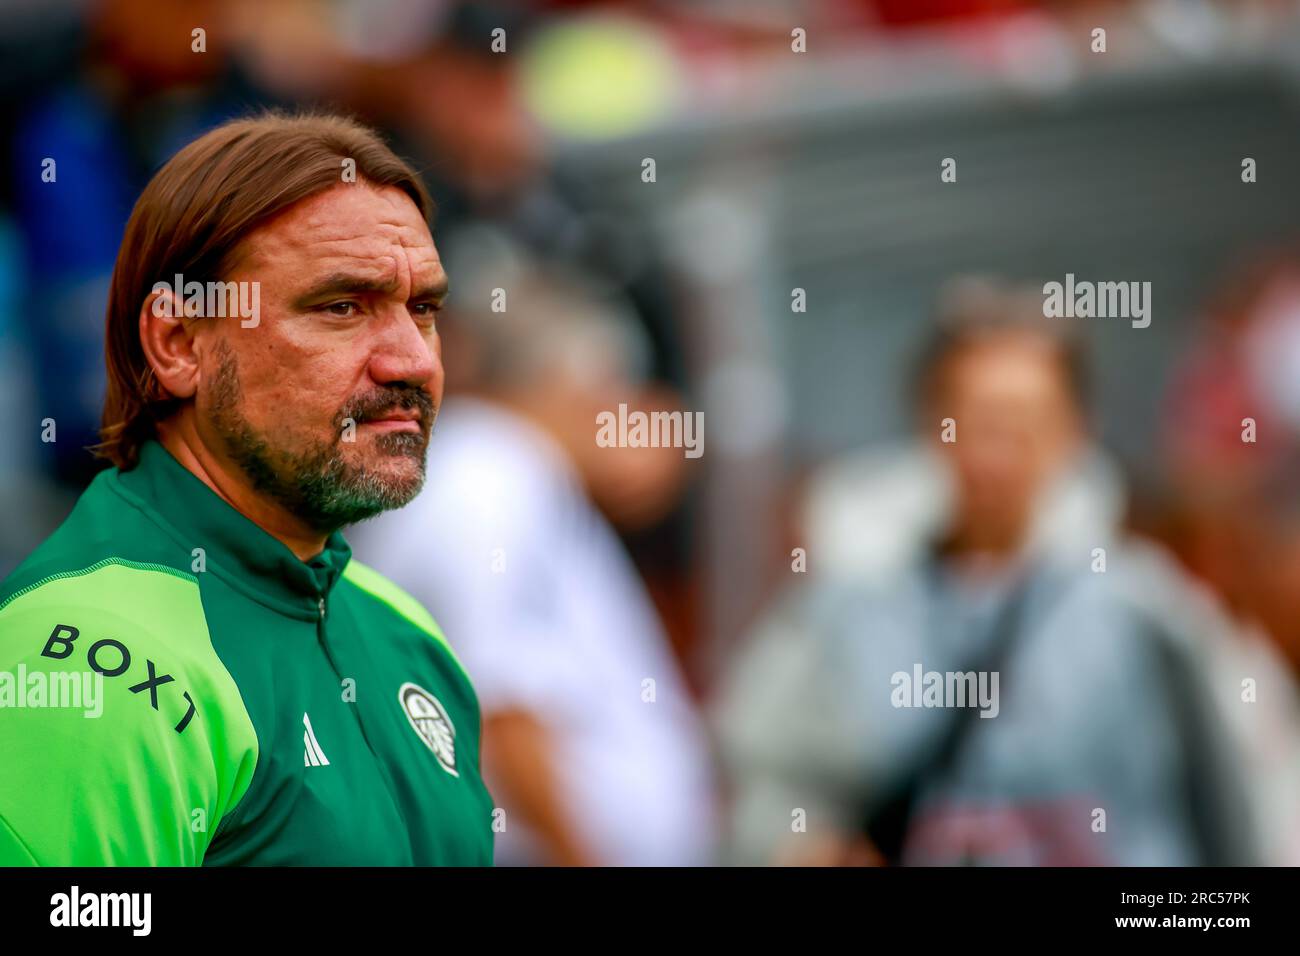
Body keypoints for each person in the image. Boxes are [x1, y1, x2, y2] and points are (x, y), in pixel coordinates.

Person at [0, 112, 494, 866]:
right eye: (340, 307)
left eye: (421, 309)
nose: (409, 361)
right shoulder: (83, 669)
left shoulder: (405, 631)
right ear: (178, 346)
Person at [714, 277, 1255, 866]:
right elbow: (767, 790)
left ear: (1073, 432)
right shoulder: (847, 609)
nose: (997, 452)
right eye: (976, 419)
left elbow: (1224, 809)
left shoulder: (1142, 616)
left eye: (1024, 421)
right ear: (930, 423)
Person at [350, 234, 716, 865]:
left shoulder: (514, 476)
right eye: (615, 388)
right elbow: (502, 710)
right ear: (567, 382)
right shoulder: (491, 473)